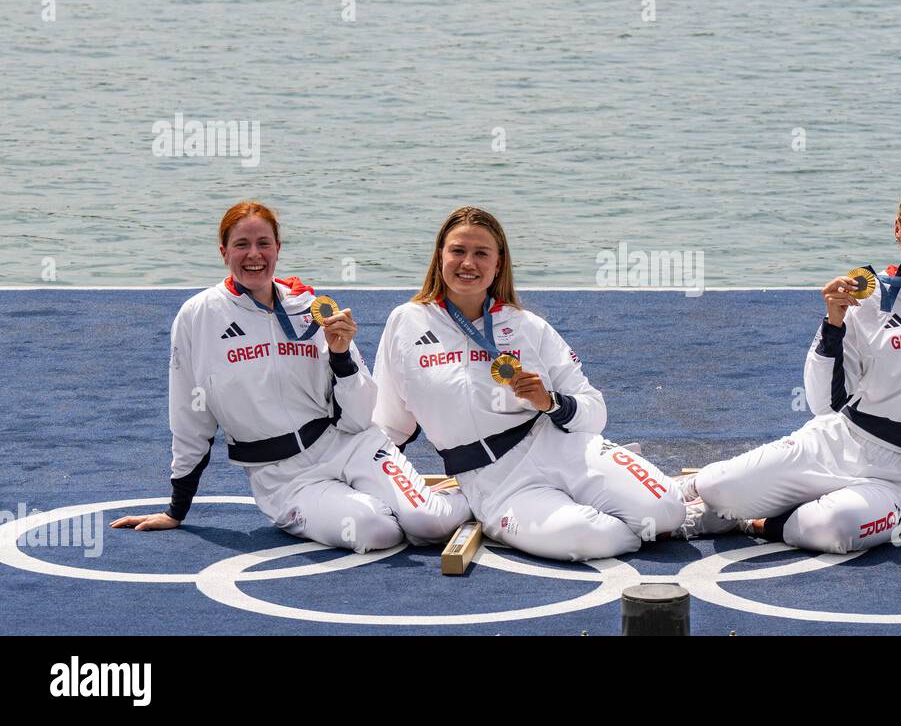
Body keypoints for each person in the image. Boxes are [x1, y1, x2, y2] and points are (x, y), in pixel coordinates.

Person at [111, 201, 470, 553]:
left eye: (264, 243)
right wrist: (177, 507)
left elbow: (361, 415)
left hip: (349, 445)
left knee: (430, 524)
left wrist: (342, 355)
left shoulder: (310, 307)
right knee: (376, 531)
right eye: (242, 244)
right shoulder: (198, 317)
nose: (254, 254)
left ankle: (474, 497)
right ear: (223, 252)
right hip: (284, 478)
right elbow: (189, 417)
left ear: (278, 248)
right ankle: (401, 501)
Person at [676, 180, 901, 553]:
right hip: (835, 444)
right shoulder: (867, 300)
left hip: (900, 477)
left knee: (835, 530)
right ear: (897, 229)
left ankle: (754, 521)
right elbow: (823, 404)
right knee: (718, 488)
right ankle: (688, 492)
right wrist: (833, 322)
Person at [371, 207, 686, 562]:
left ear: (499, 263)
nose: (468, 263)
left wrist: (549, 401)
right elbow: (388, 424)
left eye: (481, 253)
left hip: (560, 447)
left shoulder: (527, 325)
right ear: (440, 254)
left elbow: (594, 412)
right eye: (457, 251)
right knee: (584, 538)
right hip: (493, 482)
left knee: (668, 509)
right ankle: (636, 524)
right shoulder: (406, 322)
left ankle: (663, 510)